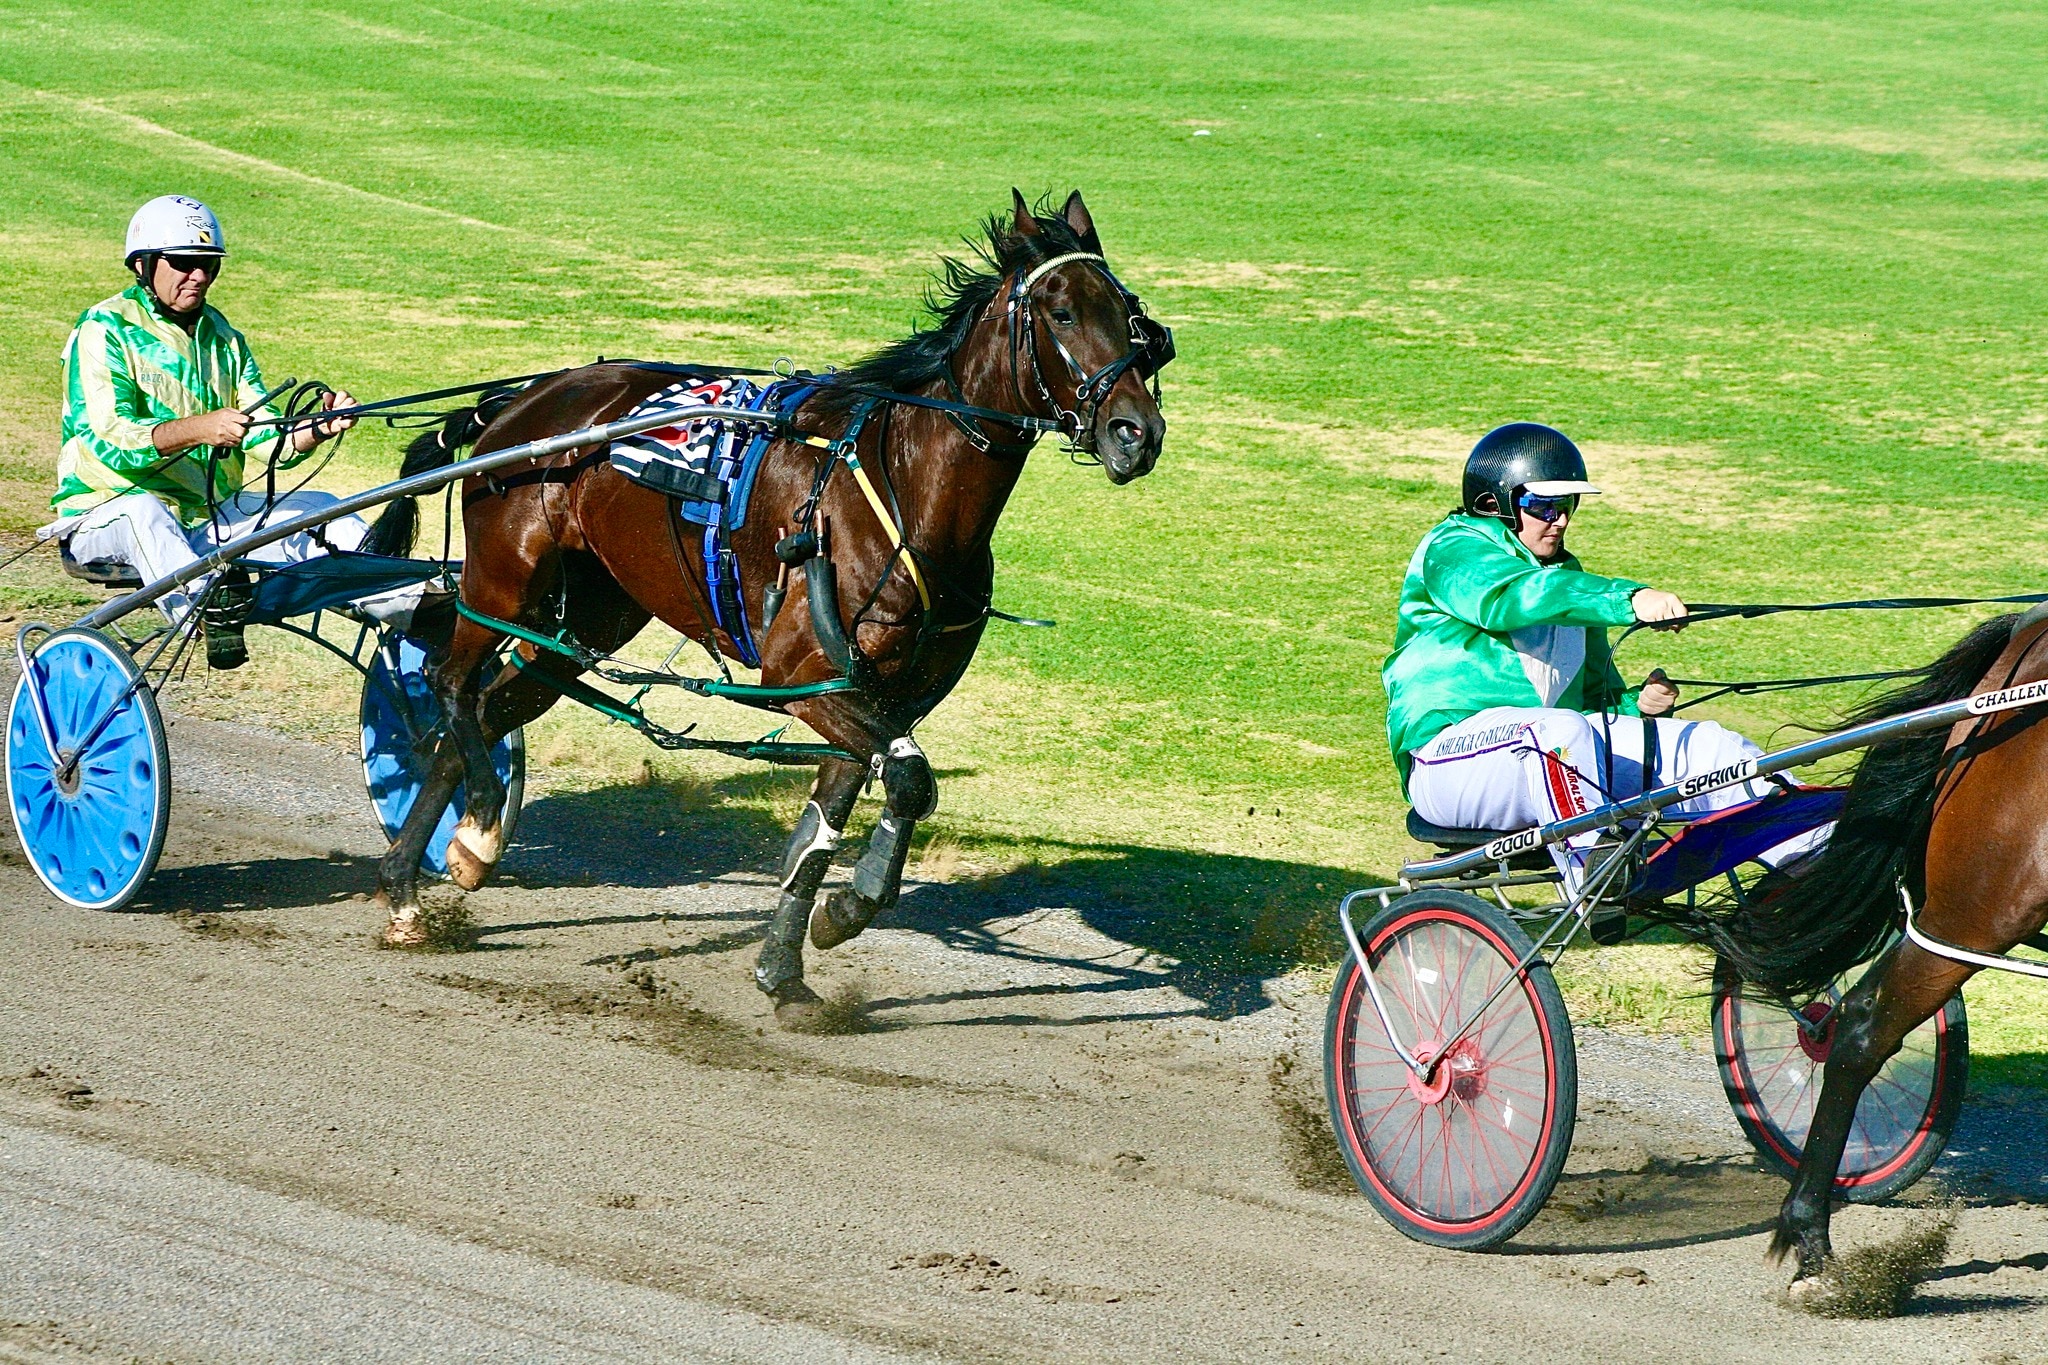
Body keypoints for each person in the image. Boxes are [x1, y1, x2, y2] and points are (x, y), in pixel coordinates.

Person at [1382, 422, 1792, 898]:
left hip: (1550, 755)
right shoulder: (1453, 548)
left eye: (1568, 505)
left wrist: (1637, 705)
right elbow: (1512, 597)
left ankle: (1816, 866)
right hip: (1447, 764)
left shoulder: (1566, 579)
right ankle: (1596, 881)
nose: (1559, 520)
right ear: (1495, 504)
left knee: (1713, 747)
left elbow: (1594, 703)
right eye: (1543, 506)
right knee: (1557, 732)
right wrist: (1629, 599)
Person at [50, 195, 420, 664]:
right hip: (102, 513)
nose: (199, 276)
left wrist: (314, 430)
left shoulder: (223, 338)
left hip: (207, 517)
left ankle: (415, 603)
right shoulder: (103, 329)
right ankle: (207, 614)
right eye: (184, 263)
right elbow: (108, 438)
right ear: (143, 264)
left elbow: (266, 438)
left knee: (320, 509)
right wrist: (199, 429)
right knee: (143, 511)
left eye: (209, 265)